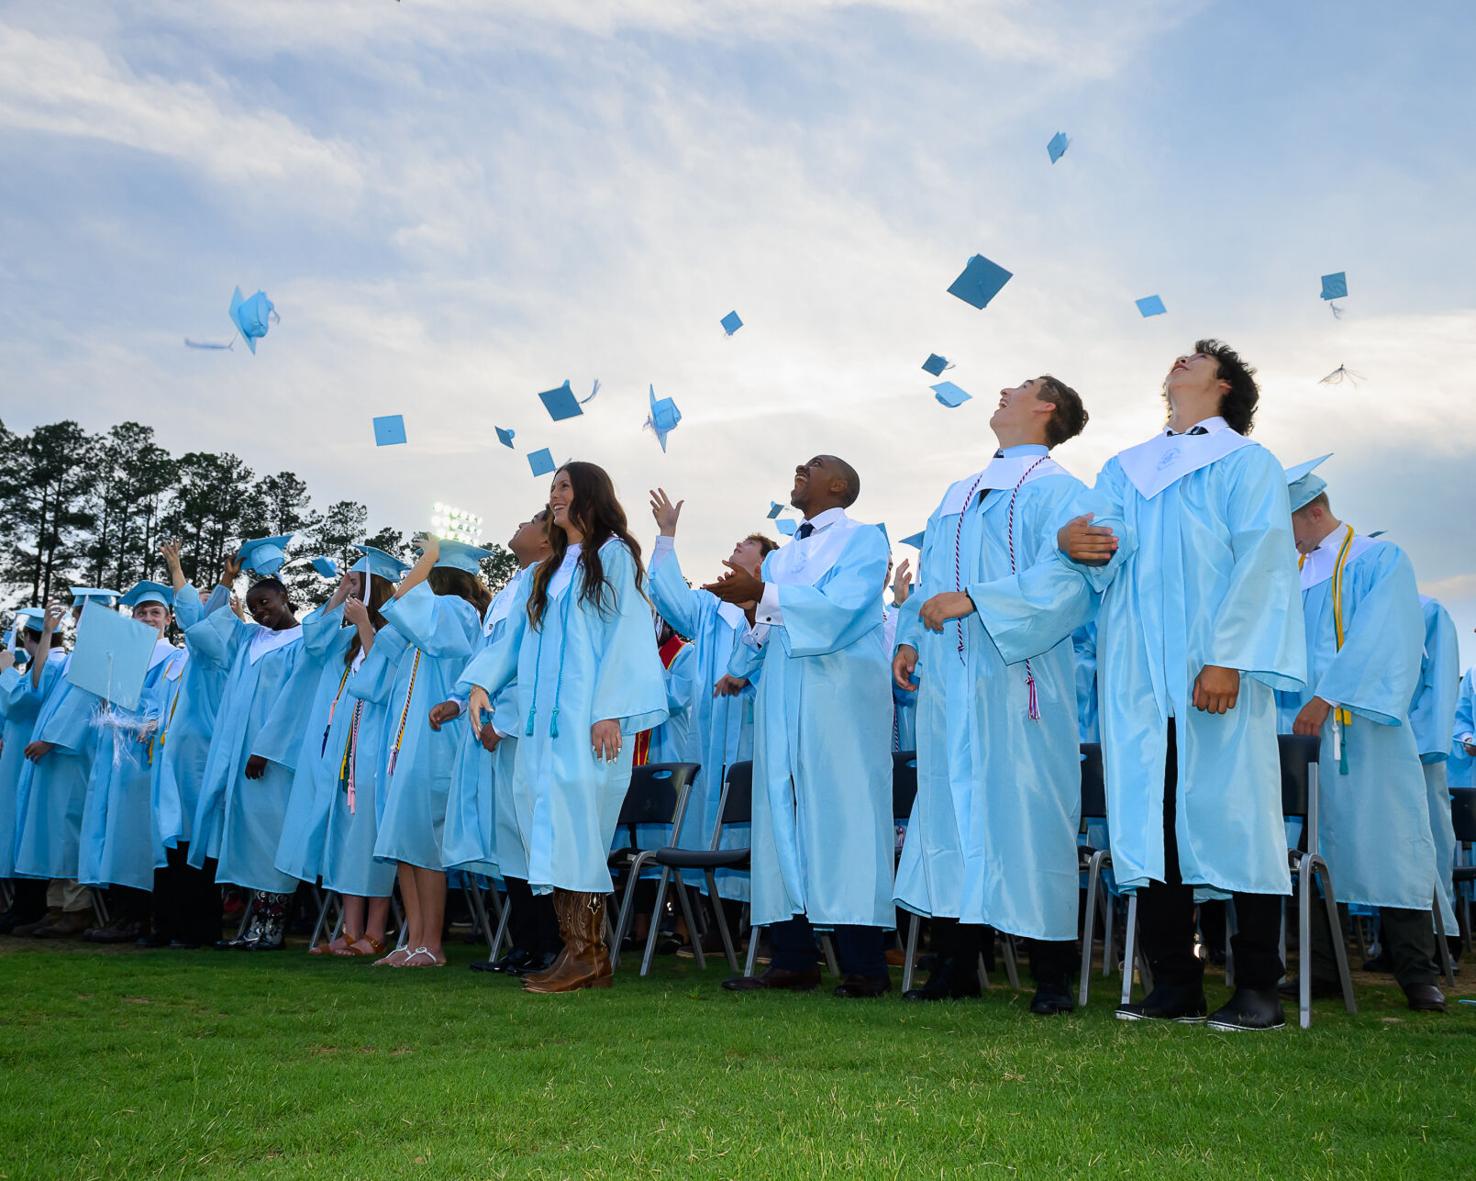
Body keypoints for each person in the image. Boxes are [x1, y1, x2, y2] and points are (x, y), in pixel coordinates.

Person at [1058, 341, 1306, 1032]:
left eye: (1197, 359)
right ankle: (1175, 981)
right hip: (1139, 669)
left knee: (1239, 816)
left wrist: (1228, 656)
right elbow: (1104, 544)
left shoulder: (1246, 461)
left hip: (1212, 663)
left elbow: (1261, 558)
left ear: (1225, 386)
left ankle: (1257, 985)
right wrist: (1078, 543)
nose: (1180, 360)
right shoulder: (1127, 466)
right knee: (1152, 816)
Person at [893, 375, 1096, 1014]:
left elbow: (1072, 583)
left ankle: (1053, 972)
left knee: (1030, 814)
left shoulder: (1061, 490)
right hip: (951, 679)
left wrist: (978, 600)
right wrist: (909, 636)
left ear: (1048, 408)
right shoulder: (958, 491)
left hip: (1020, 678)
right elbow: (932, 579)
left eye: (1024, 386)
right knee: (951, 811)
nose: (1005, 389)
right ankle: (957, 964)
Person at [462, 461, 669, 994]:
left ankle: (587, 955)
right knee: (547, 832)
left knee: (579, 831)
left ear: (589, 496)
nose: (554, 495)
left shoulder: (612, 556)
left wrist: (610, 710)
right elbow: (514, 639)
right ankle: (579, 953)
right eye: (551, 487)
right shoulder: (547, 570)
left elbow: (626, 635)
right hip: (540, 728)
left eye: (564, 487)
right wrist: (483, 682)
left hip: (586, 721)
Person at [709, 454, 894, 998]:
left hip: (840, 694)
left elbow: (843, 609)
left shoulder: (865, 540)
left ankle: (864, 964)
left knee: (845, 813)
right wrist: (748, 620)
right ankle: (793, 957)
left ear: (838, 485)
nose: (800, 467)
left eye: (813, 465)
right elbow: (769, 627)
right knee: (779, 813)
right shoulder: (783, 555)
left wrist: (762, 595)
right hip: (783, 693)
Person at [1280, 465, 1445, 1012]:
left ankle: (1417, 974)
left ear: (1314, 512)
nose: (1286, 536)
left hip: (1366, 730)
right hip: (1300, 734)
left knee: (1391, 841)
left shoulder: (1380, 559)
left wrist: (1326, 698)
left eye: (1288, 523)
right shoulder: (1294, 572)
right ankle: (1321, 969)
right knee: (1310, 845)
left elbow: (1386, 635)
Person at [352, 535, 488, 968]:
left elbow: (413, 610)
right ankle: (412, 940)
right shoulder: (422, 621)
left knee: (425, 842)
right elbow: (378, 670)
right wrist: (366, 626)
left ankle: (432, 943)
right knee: (404, 842)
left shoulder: (458, 612)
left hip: (435, 741)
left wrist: (427, 557)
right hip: (404, 741)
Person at [437, 511, 560, 977]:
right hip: (498, 731)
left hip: (527, 730)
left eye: (532, 521)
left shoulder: (547, 583)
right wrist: (458, 700)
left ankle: (551, 945)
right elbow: (488, 658)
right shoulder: (514, 587)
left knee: (534, 837)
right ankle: (525, 944)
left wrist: (504, 722)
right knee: (512, 840)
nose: (520, 525)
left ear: (546, 540)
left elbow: (533, 663)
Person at [267, 549, 405, 957]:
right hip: (342, 747)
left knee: (369, 839)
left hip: (375, 745)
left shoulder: (396, 632)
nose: (352, 591)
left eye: (358, 584)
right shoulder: (344, 641)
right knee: (344, 837)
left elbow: (384, 681)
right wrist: (338, 592)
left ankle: (375, 931)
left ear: (376, 589)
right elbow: (312, 639)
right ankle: (349, 930)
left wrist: (365, 625)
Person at [647, 489, 774, 908]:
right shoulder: (709, 606)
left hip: (753, 735)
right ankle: (708, 918)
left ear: (763, 564)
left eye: (747, 544)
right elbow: (670, 598)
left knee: (752, 824)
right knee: (705, 822)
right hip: (708, 734)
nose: (737, 545)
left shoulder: (776, 613)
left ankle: (755, 920)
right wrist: (667, 535)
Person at [186, 545, 308, 951]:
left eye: (266, 602)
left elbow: (296, 703)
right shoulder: (249, 638)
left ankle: (272, 926)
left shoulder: (304, 642)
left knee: (271, 835)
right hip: (238, 756)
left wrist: (265, 748)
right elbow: (206, 629)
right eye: (253, 606)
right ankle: (251, 925)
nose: (259, 611)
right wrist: (226, 580)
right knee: (246, 838)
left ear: (284, 597)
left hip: (272, 759)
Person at [76, 581, 187, 942]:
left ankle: (141, 916)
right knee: (113, 831)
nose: (148, 618)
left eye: (156, 612)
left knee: (138, 834)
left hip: (147, 758)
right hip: (114, 755)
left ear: (168, 619)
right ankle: (122, 913)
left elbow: (176, 705)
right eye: (141, 612)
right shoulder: (118, 659)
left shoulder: (176, 659)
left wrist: (153, 722)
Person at [11, 590, 120, 938]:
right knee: (53, 828)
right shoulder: (74, 657)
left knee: (71, 827)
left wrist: (52, 739)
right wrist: (46, 632)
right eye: (80, 613)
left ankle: (77, 907)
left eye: (91, 613)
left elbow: (83, 706)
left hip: (74, 754)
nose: (83, 619)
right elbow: (38, 682)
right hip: (56, 758)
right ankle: (56, 906)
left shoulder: (103, 654)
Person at [146, 542, 231, 948]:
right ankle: (165, 925)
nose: (194, 612)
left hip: (201, 760)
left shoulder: (217, 654)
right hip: (171, 760)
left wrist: (178, 570)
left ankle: (199, 928)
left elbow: (198, 620)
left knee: (196, 842)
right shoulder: (178, 661)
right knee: (169, 840)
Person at [0, 608, 61, 933]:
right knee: (18, 827)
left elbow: (20, 702)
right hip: (17, 754)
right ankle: (18, 905)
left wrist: (5, 671)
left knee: (25, 827)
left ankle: (27, 906)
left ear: (27, 638)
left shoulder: (51, 665)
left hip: (27, 756)